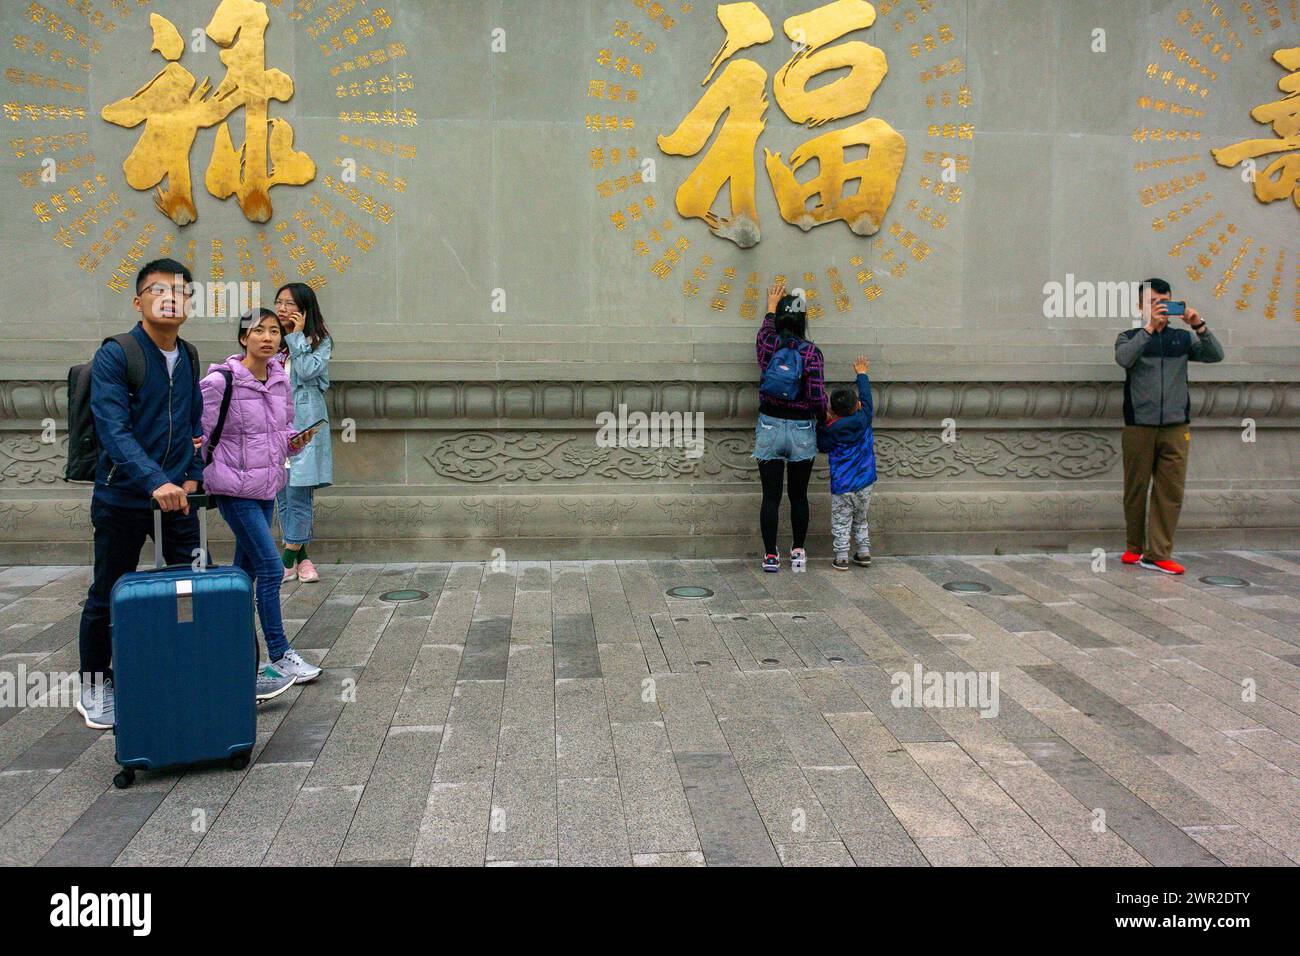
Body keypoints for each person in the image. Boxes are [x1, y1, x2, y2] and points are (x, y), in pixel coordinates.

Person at [75, 260, 294, 730]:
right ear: (138, 301)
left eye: (180, 292)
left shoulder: (189, 355)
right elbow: (113, 429)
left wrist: (192, 473)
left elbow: (197, 425)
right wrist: (154, 479)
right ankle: (95, 683)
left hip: (178, 502)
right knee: (106, 591)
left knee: (204, 586)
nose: (170, 298)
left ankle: (235, 672)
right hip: (123, 498)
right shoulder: (117, 354)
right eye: (159, 290)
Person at [201, 309, 323, 684]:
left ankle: (233, 651)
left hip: (266, 486)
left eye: (274, 331)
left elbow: (281, 432)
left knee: (245, 574)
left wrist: (295, 441)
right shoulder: (220, 381)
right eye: (258, 331)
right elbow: (198, 434)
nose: (268, 337)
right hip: (233, 488)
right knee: (271, 568)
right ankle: (279, 654)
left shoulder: (280, 380)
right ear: (244, 338)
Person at [1114, 278, 1225, 575]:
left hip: (1176, 427)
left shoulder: (1182, 339)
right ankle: (1134, 547)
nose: (1159, 307)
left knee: (1170, 491)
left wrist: (1198, 324)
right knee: (1136, 489)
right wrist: (1150, 328)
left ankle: (1158, 553)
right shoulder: (1128, 337)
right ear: (1139, 306)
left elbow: (1215, 355)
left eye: (1164, 302)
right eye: (1153, 302)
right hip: (1139, 426)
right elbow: (1123, 359)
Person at [754, 277, 827, 572]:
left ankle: (770, 556)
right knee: (798, 495)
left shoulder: (769, 345)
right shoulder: (811, 352)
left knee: (770, 496)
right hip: (801, 429)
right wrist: (823, 419)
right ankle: (797, 552)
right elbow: (817, 397)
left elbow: (764, 332)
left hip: (770, 424)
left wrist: (771, 307)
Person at [272, 283, 333, 583]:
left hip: (304, 425)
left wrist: (296, 337)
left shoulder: (320, 341)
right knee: (283, 496)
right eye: (279, 302)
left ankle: (285, 562)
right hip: (275, 424)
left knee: (299, 493)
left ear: (304, 309)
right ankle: (303, 559)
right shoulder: (270, 338)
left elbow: (308, 371)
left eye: (290, 304)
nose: (282, 309)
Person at [818, 355, 877, 571]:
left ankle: (842, 556)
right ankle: (863, 552)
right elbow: (867, 398)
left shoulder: (831, 430)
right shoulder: (864, 418)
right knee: (861, 518)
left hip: (843, 485)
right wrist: (861, 374)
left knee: (841, 520)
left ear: (833, 411)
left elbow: (822, 446)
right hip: (865, 482)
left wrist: (823, 423)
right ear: (858, 405)